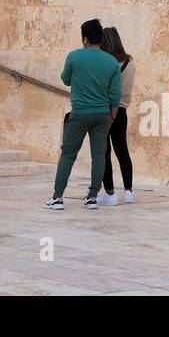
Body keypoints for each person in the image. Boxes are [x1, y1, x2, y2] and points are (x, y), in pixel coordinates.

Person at [45, 18, 121, 210]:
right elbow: (116, 94)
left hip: (80, 113)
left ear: (85, 38)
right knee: (99, 155)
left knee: (68, 154)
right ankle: (92, 197)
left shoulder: (74, 56)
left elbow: (66, 79)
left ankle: (57, 197)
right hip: (103, 114)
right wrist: (112, 116)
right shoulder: (112, 62)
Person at [95, 25, 136, 206]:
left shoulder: (106, 62)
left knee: (105, 151)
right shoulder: (129, 62)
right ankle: (129, 191)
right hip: (122, 110)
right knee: (122, 150)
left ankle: (110, 193)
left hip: (106, 109)